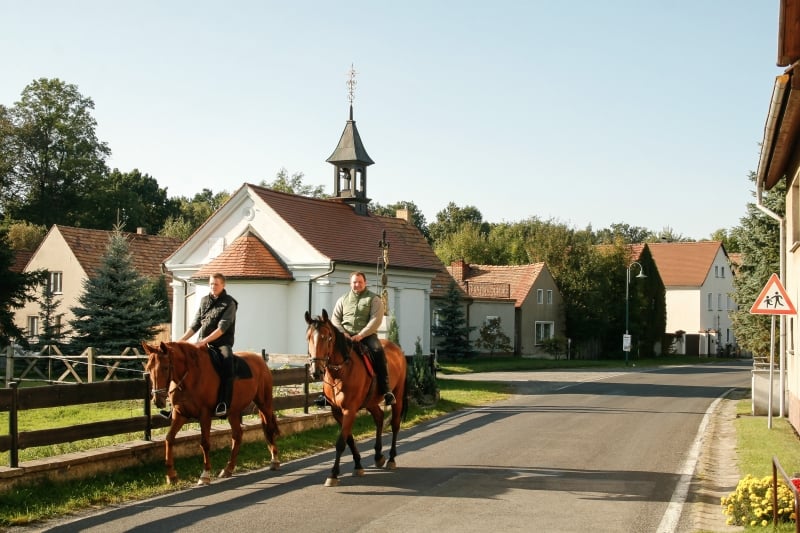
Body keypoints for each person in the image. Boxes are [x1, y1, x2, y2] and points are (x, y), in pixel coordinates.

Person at [160, 273, 237, 419]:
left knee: (228, 364)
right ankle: (174, 406)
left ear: (223, 285)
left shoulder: (230, 303)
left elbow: (222, 329)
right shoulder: (204, 301)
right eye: (211, 284)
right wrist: (178, 342)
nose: (213, 287)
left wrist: (203, 341)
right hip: (202, 342)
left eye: (216, 284)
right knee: (181, 367)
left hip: (221, 344)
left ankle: (223, 404)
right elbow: (195, 325)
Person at [330, 271, 395, 405]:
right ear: (350, 283)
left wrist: (361, 335)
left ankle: (386, 390)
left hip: (366, 336)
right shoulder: (342, 299)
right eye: (354, 282)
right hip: (345, 336)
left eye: (360, 282)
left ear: (365, 283)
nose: (357, 284)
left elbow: (376, 320)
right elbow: (335, 319)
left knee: (378, 352)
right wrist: (343, 333)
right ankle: (325, 394)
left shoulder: (374, 299)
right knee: (329, 354)